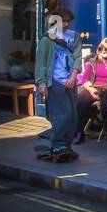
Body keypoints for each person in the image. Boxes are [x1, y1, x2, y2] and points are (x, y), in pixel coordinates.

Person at [35, 8, 79, 161]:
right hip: (55, 81)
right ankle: (58, 144)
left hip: (70, 81)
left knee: (73, 115)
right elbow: (41, 63)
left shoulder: (74, 37)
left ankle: (67, 145)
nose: (66, 24)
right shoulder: (47, 40)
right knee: (62, 115)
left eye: (68, 21)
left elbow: (77, 57)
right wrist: (42, 84)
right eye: (63, 20)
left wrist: (74, 75)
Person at [73, 38, 107, 143]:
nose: (103, 51)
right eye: (100, 49)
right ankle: (79, 132)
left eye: (106, 49)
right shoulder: (92, 62)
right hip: (93, 87)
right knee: (81, 100)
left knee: (105, 99)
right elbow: (84, 79)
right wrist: (91, 89)